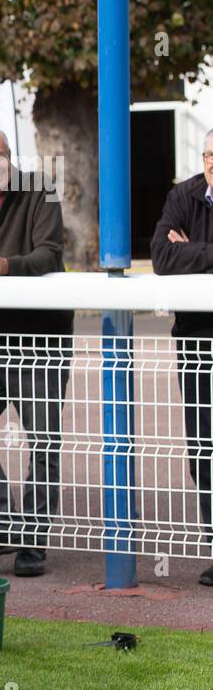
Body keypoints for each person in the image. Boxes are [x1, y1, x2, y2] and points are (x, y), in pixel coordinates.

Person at [0, 125, 72, 579]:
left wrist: (8, 267)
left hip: (40, 340)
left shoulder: (40, 188)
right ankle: (4, 522)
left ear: (9, 155)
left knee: (42, 441)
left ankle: (33, 542)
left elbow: (51, 254)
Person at [150, 126, 213, 587]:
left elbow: (177, 254)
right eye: (209, 155)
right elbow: (159, 256)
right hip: (196, 337)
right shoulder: (185, 194)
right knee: (204, 450)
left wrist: (189, 248)